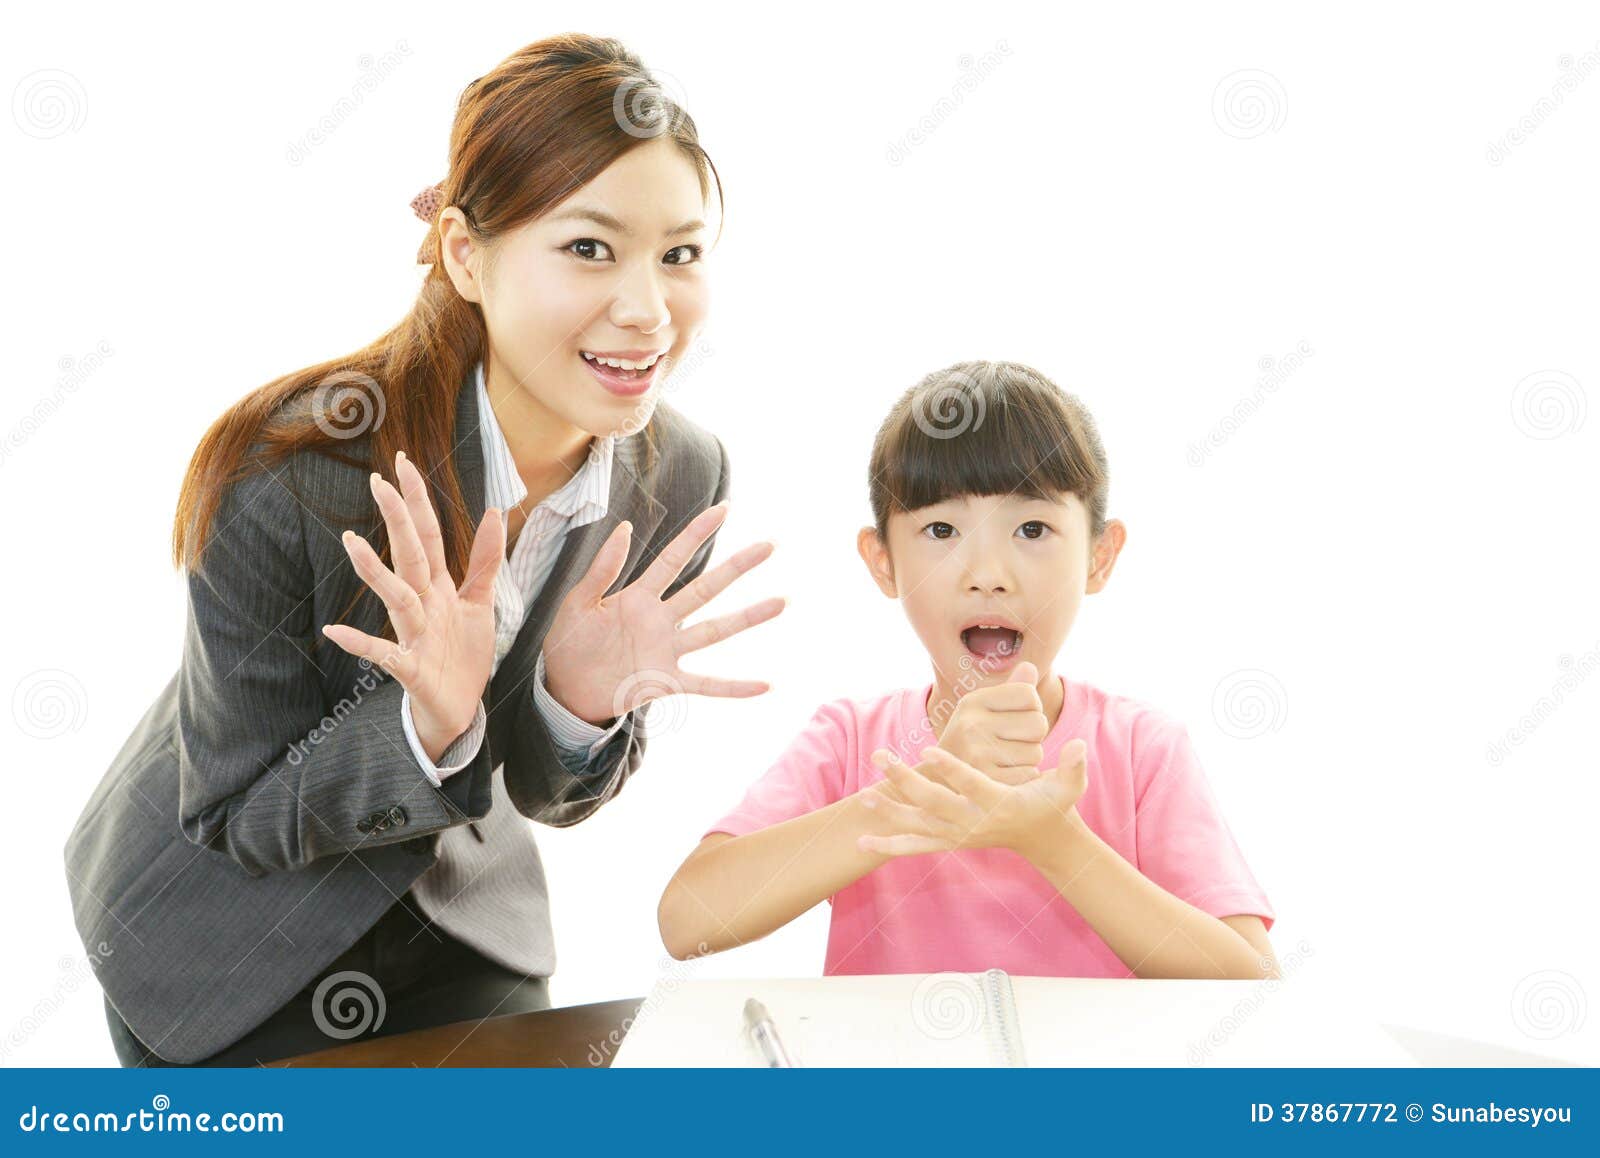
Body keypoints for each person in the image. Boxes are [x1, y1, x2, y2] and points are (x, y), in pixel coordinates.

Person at [67, 33, 784, 1066]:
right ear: (464, 253)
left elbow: (548, 795)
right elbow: (235, 813)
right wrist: (424, 725)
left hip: (459, 906)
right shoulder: (287, 478)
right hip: (225, 933)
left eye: (679, 253)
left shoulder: (678, 475)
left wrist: (571, 706)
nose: (646, 310)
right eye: (588, 247)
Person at [658, 361, 1277, 980]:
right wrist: (912, 799)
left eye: (1031, 529)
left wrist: (1054, 843)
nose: (987, 572)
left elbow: (1249, 980)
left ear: (1100, 556)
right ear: (883, 563)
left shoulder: (1142, 748)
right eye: (941, 529)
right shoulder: (851, 740)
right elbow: (687, 923)